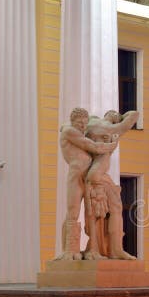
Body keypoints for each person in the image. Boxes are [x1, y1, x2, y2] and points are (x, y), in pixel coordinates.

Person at [55, 108, 116, 260]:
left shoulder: (77, 131)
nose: (83, 126)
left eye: (84, 123)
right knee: (73, 213)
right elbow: (94, 146)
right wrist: (113, 144)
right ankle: (69, 251)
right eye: (80, 123)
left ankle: (92, 250)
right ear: (72, 121)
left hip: (86, 177)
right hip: (76, 177)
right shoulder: (69, 131)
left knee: (90, 213)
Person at [83, 110, 140, 260]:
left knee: (102, 212)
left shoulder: (91, 126)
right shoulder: (109, 128)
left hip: (94, 173)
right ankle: (113, 249)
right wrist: (122, 119)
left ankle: (108, 248)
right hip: (97, 174)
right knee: (107, 211)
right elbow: (133, 115)